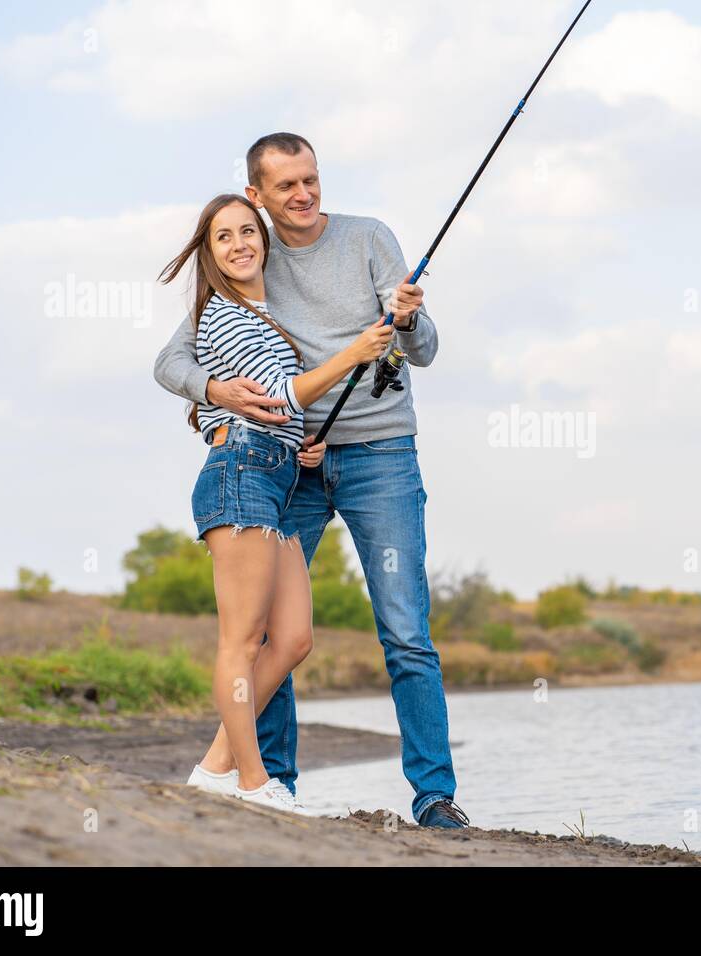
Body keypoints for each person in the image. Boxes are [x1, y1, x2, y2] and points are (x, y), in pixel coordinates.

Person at [155, 133, 468, 828]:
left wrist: (409, 321)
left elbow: (426, 351)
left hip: (381, 453)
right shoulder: (247, 261)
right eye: (286, 186)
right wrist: (217, 392)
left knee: (406, 631)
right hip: (288, 466)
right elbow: (174, 359)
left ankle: (435, 797)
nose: (302, 196)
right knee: (270, 633)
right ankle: (273, 785)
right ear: (258, 196)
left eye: (311, 180)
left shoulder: (368, 240)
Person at [157, 192, 393, 814]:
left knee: (291, 640)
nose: (238, 245)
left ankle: (213, 766)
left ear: (263, 237)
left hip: (277, 473)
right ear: (209, 256)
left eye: (246, 232)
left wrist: (301, 443)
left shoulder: (267, 313)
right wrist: (351, 355)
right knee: (242, 639)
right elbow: (282, 395)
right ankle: (255, 783)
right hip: (240, 473)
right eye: (222, 238)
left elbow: (278, 410)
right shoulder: (226, 317)